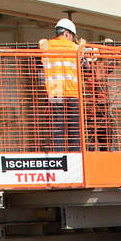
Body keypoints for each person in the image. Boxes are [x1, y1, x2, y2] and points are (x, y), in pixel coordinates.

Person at [39, 16, 82, 152]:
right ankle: (74, 158)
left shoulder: (45, 46)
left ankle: (58, 157)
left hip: (55, 92)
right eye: (72, 36)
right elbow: (86, 67)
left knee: (57, 128)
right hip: (73, 93)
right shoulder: (77, 48)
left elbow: (38, 63)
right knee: (74, 128)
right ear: (67, 33)